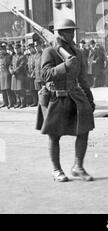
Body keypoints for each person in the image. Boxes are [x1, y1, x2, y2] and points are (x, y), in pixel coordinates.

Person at [36, 18, 95, 183]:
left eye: (73, 31)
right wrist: (65, 66)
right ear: (60, 33)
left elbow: (82, 78)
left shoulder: (77, 52)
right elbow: (45, 75)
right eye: (68, 31)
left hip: (75, 96)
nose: (72, 34)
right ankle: (56, 169)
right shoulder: (50, 51)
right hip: (56, 97)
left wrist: (89, 98)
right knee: (54, 136)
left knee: (84, 130)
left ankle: (78, 166)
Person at [9, 42, 27, 109]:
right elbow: (10, 65)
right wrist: (10, 70)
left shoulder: (23, 56)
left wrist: (15, 71)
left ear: (20, 49)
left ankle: (23, 103)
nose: (16, 50)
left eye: (18, 48)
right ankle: (18, 102)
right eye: (15, 48)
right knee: (15, 90)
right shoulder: (14, 56)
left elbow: (22, 66)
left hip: (20, 75)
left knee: (21, 90)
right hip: (14, 76)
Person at [0, 43, 14, 109]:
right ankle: (5, 102)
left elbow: (8, 64)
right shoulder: (1, 56)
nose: (1, 51)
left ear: (5, 50)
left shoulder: (8, 56)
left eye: (2, 50)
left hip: (7, 74)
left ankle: (11, 103)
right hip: (1, 74)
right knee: (3, 90)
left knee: (8, 90)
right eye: (0, 50)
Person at [26, 43, 38, 107]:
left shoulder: (37, 55)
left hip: (36, 75)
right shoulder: (29, 56)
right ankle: (34, 102)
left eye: (30, 49)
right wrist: (28, 73)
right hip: (30, 76)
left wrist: (33, 72)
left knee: (37, 89)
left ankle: (39, 102)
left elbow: (37, 65)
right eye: (29, 49)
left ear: (33, 48)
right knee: (32, 89)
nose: (30, 50)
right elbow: (28, 66)